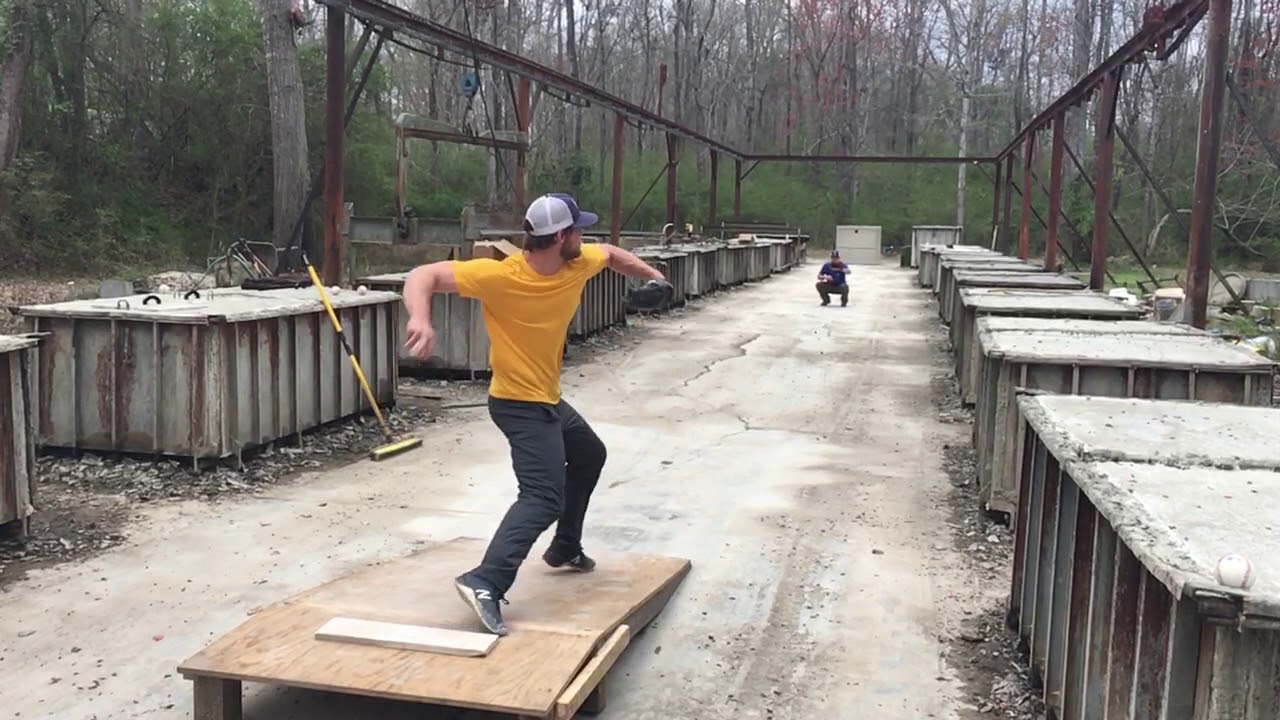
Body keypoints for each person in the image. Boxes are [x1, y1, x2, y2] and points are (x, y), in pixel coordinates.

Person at [401, 192, 671, 636]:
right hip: (517, 405)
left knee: (589, 455)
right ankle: (486, 580)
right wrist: (421, 318)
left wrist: (654, 276)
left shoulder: (578, 260)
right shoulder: (499, 277)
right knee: (542, 495)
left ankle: (565, 546)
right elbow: (422, 275)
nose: (585, 237)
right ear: (561, 235)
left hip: (546, 400)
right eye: (579, 229)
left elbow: (613, 255)